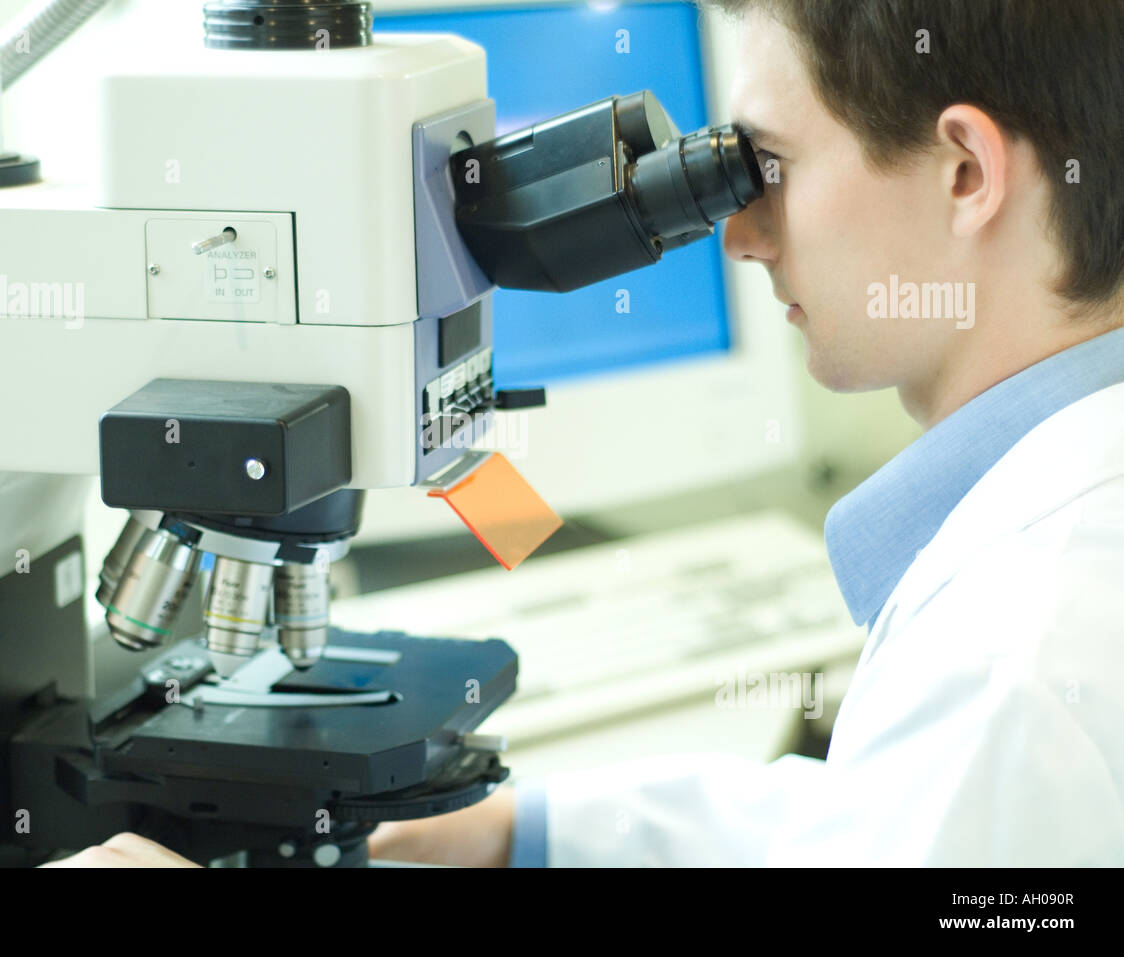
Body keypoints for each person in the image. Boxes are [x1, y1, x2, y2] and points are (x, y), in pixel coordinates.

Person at [55, 0, 1124, 867]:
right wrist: (532, 836)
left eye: (767, 168)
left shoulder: (1016, 665)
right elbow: (878, 835)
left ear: (966, 172)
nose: (740, 235)